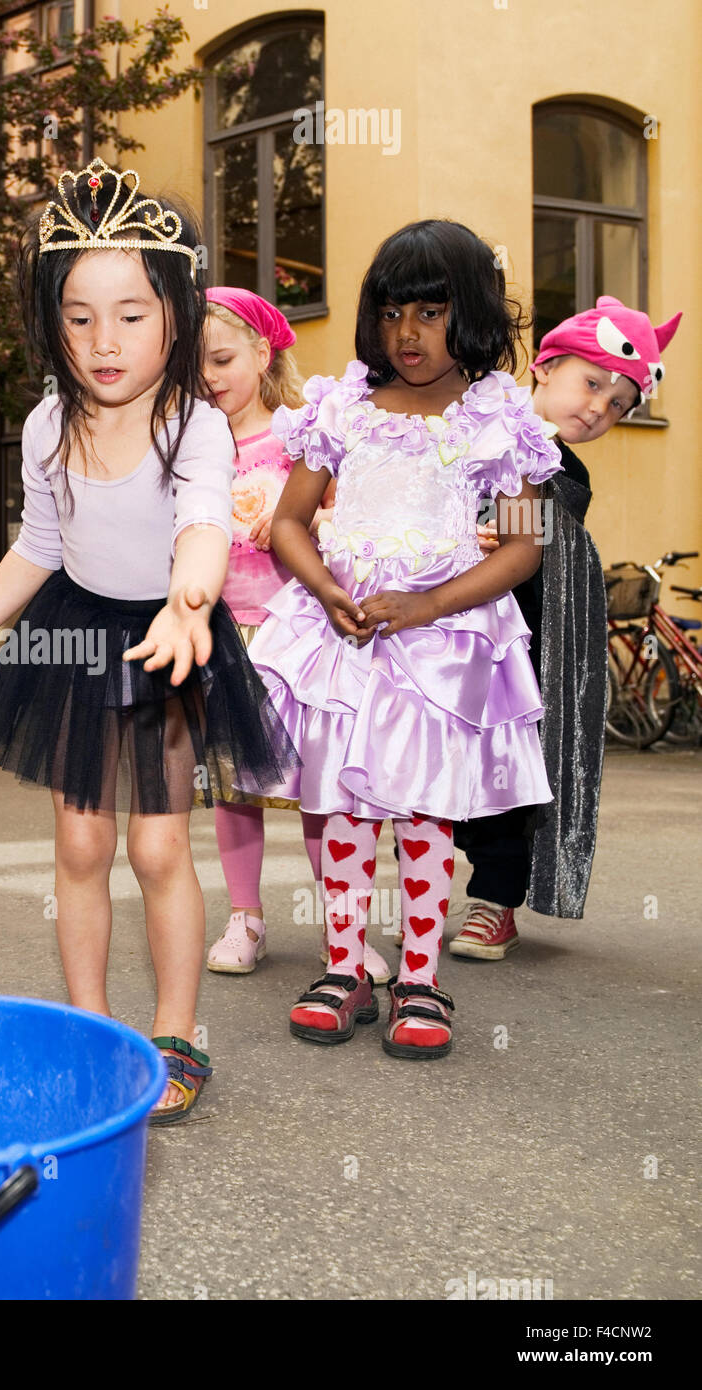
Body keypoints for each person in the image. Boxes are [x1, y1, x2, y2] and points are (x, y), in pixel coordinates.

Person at [0, 157, 298, 1120]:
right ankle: (90, 1028)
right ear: (51, 323)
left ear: (176, 310)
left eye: (130, 314)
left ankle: (175, 1033)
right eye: (78, 317)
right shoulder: (46, 426)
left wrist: (189, 602)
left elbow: (207, 521)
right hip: (77, 637)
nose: (104, 340)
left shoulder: (193, 427)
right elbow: (40, 546)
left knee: (159, 850)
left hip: (170, 637)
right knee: (79, 847)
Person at [243, 218, 562, 1059]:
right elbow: (288, 524)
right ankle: (345, 965)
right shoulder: (341, 406)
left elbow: (528, 544)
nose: (407, 334)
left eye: (429, 311)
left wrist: (430, 606)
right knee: (346, 804)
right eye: (391, 313)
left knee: (424, 809)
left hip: (445, 643)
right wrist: (327, 589)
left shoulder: (505, 419)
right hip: (346, 638)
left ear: (476, 312)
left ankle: (419, 976)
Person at [450, 295, 682, 957]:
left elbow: (531, 539)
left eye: (618, 406)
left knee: (507, 781)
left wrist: (495, 531)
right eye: (592, 384)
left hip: (520, 649)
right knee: (439, 770)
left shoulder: (562, 469)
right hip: (449, 635)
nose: (598, 409)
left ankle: (495, 901)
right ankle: (426, 887)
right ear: (546, 366)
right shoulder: (469, 425)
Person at [200, 287, 393, 985]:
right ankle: (245, 916)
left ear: (262, 352)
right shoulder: (193, 448)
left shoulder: (300, 433)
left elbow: (347, 526)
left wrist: (299, 525)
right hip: (226, 638)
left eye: (221, 358)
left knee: (319, 789)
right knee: (234, 786)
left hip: (300, 639)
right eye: (194, 366)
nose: (210, 377)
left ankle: (341, 930)